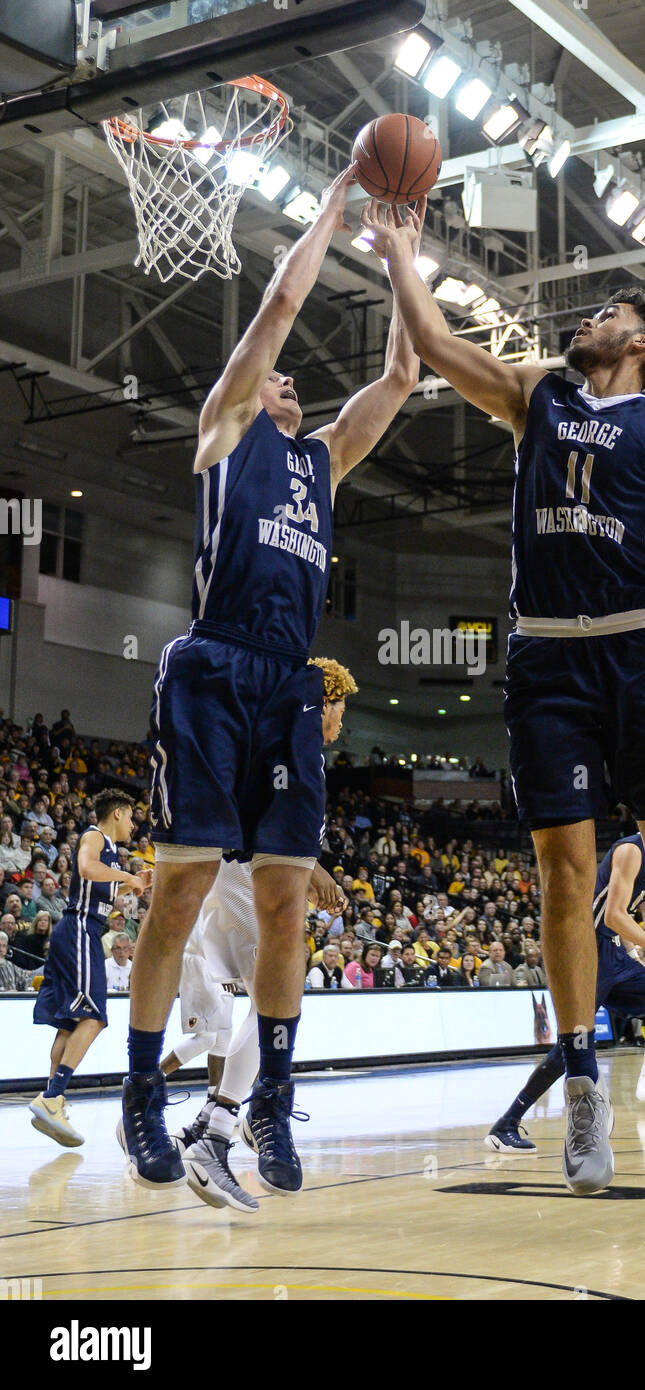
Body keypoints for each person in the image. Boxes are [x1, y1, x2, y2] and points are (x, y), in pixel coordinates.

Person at [362, 200, 645, 1195]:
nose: (585, 317)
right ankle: (580, 1085)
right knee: (563, 873)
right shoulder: (537, 389)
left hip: (638, 653)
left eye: (606, 309)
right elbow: (442, 346)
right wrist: (404, 258)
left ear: (642, 338)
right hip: (545, 661)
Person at [117, 164, 422, 1195]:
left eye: (293, 381)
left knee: (287, 906)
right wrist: (339, 196)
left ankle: (272, 1105)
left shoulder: (321, 466)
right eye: (279, 375)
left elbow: (399, 383)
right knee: (182, 887)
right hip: (210, 667)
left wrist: (403, 261)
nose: (287, 380)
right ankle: (136, 1099)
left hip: (288, 683)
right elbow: (281, 303)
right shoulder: (225, 429)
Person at [162, 660, 354, 1209]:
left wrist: (313, 866)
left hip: (239, 873)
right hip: (242, 873)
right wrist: (306, 867)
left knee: (266, 1006)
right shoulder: (287, 735)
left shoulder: (296, 743)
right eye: (342, 709)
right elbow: (257, 812)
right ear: (328, 702)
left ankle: (200, 1126)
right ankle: (220, 1129)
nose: (343, 723)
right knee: (272, 1005)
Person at [486, 834, 645, 1156]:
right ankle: (506, 1124)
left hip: (615, 954)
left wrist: (632, 952)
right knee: (573, 1045)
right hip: (588, 951)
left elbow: (611, 910)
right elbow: (611, 916)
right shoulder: (631, 850)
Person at [30, 790, 147, 1146]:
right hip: (80, 929)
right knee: (94, 1018)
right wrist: (128, 877)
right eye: (130, 817)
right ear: (118, 812)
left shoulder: (108, 853)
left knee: (70, 1023)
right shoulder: (95, 836)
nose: (133, 824)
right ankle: (52, 1098)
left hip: (80, 929)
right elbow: (84, 867)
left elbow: (105, 893)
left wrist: (139, 884)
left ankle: (53, 1102)